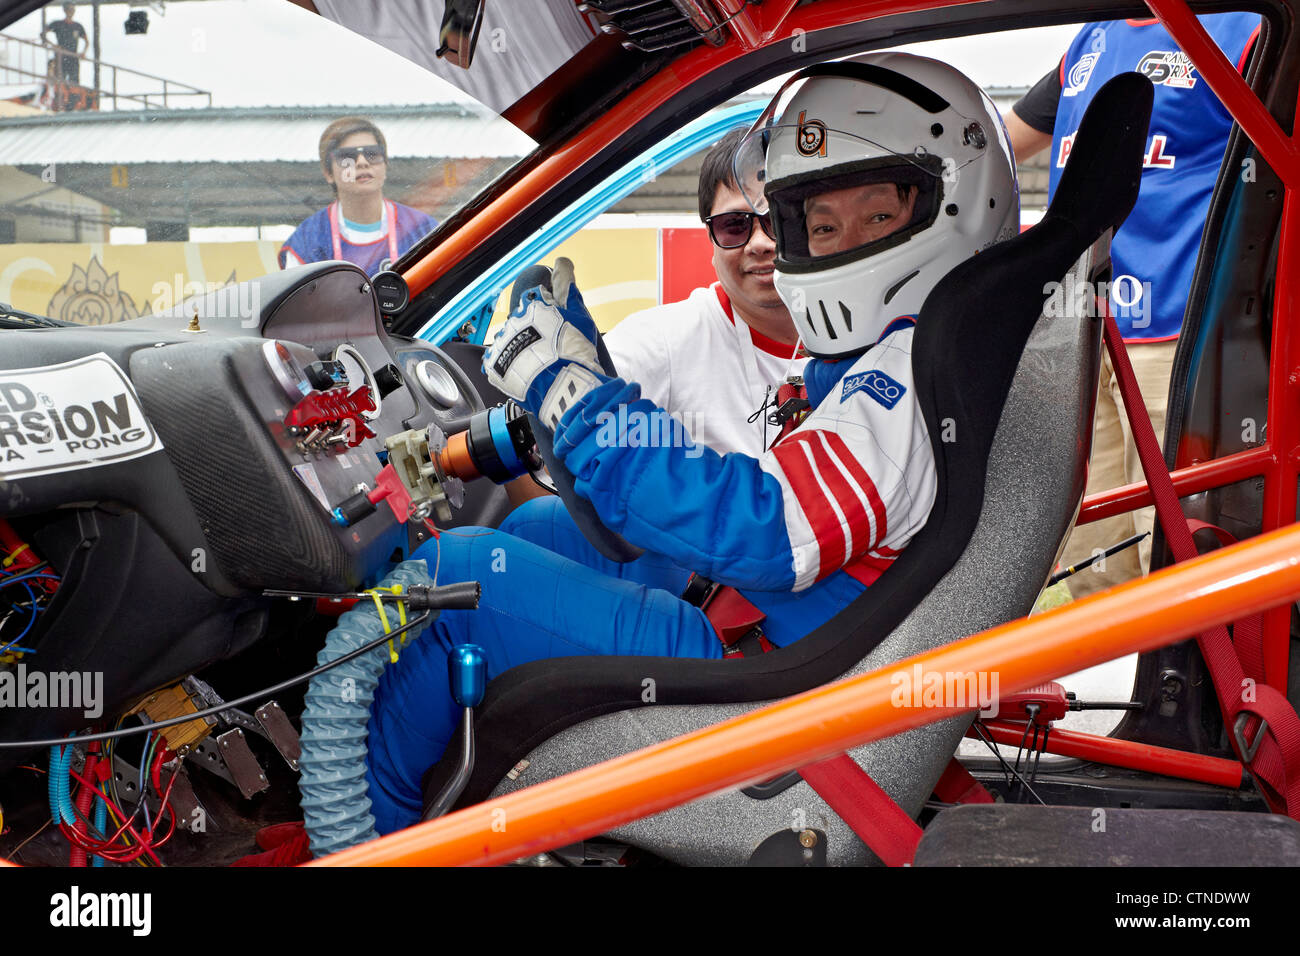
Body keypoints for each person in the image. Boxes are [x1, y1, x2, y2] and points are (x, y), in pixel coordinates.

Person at [364, 52, 1019, 834]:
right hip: (817, 640)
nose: (838, 246)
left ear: (951, 201)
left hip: (782, 695)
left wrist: (575, 401)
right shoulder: (930, 348)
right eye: (821, 223)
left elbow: (767, 530)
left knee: (456, 577)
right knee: (540, 528)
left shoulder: (904, 374)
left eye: (876, 216)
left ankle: (374, 838)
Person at [1005, 14, 1259, 597]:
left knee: (1171, 543)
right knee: (1091, 543)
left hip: (1178, 330)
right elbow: (992, 141)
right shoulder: (1090, 39)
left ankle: (1197, 685)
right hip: (1081, 328)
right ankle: (1118, 681)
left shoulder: (1246, 27)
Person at [605, 128, 800, 457]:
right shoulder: (664, 343)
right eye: (735, 224)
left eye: (778, 220)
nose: (761, 244)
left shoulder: (876, 338)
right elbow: (540, 440)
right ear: (710, 236)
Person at [279, 117, 438, 277]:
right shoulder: (306, 242)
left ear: (385, 165)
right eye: (347, 156)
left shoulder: (423, 229)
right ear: (328, 173)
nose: (362, 162)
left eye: (372, 154)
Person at [42, 4, 86, 87]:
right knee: (60, 80)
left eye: (72, 9)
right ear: (65, 10)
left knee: (74, 82)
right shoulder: (58, 24)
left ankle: (72, 97)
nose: (71, 11)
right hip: (61, 56)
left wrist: (83, 52)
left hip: (73, 57)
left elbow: (86, 41)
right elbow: (43, 34)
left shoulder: (78, 26)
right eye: (69, 9)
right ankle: (61, 95)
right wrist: (54, 45)